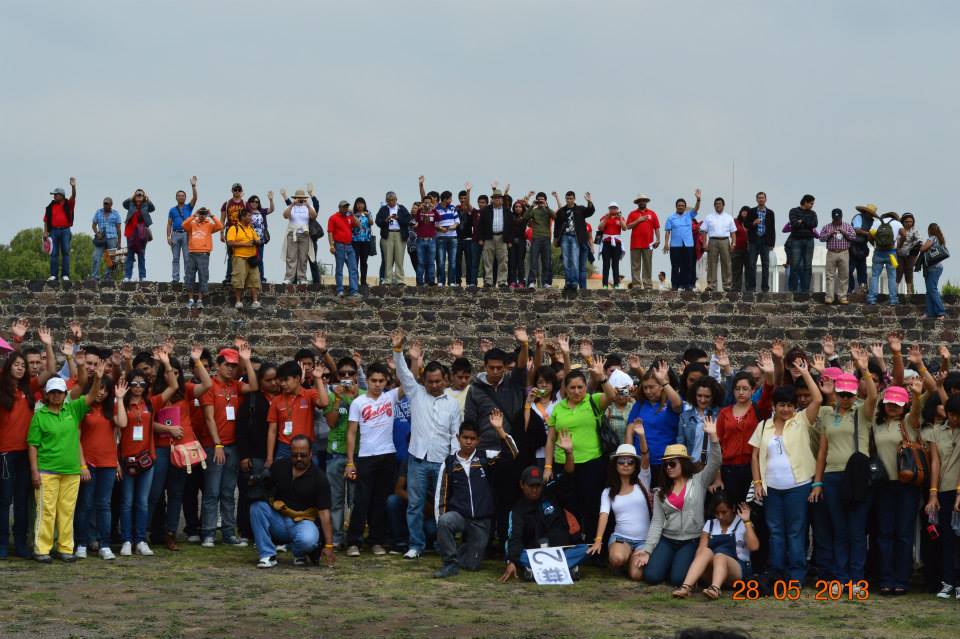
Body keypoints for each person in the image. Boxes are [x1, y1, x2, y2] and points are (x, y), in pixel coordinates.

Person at [749, 359, 822, 582]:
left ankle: (796, 576)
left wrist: (805, 373)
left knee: (796, 532)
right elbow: (754, 455)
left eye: (790, 405)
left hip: (797, 487)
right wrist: (758, 483)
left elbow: (817, 398)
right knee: (776, 532)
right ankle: (776, 575)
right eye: (782, 405)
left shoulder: (801, 420)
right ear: (774, 406)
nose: (786, 409)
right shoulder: (764, 425)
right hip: (772, 489)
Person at [390, 330, 461, 559]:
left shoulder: (452, 405)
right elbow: (402, 373)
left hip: (442, 462)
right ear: (424, 381)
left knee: (442, 508)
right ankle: (416, 545)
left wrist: (454, 459)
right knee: (414, 506)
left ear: (446, 380)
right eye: (429, 381)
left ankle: (444, 546)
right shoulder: (416, 393)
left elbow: (455, 435)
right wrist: (399, 351)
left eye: (438, 381)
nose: (433, 385)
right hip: (418, 459)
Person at [27, 362, 105, 563]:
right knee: (46, 511)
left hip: (70, 470)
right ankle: (42, 549)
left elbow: (91, 395)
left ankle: (65, 547)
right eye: (52, 392)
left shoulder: (73, 409)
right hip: (47, 470)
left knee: (66, 511)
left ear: (64, 394)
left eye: (59, 392)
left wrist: (97, 378)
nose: (56, 396)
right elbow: (33, 445)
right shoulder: (40, 416)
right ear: (47, 394)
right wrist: (34, 471)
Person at [634, 414, 721, 586]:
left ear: (683, 463)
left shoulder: (699, 480)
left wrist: (713, 437)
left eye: (672, 464)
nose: (668, 468)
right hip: (668, 538)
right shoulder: (661, 491)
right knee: (652, 577)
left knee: (677, 580)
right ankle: (668, 563)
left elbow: (716, 461)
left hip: (691, 539)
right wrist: (647, 550)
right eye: (666, 464)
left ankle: (679, 567)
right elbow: (657, 522)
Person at [434, 414, 518, 578]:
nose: (468, 441)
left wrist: (500, 429)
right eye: (465, 437)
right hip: (459, 515)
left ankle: (463, 550)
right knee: (445, 521)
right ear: (458, 438)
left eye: (472, 438)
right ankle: (450, 563)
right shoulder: (450, 462)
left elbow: (513, 453)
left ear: (478, 440)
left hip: (481, 520)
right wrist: (441, 525)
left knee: (472, 566)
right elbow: (441, 492)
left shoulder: (485, 457)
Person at [544, 363, 617, 545]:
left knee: (592, 505)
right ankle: (572, 542)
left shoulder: (593, 401)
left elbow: (612, 396)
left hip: (592, 463)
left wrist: (602, 378)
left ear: (585, 387)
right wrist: (548, 465)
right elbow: (551, 440)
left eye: (580, 387)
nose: (576, 391)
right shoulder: (558, 408)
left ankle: (595, 546)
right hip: (564, 463)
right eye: (572, 388)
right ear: (565, 389)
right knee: (569, 505)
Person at [500, 448, 588, 583]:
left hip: (560, 550)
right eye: (531, 486)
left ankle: (534, 569)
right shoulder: (517, 510)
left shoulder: (552, 493)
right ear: (522, 485)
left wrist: (569, 454)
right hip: (535, 553)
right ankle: (566, 567)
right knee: (509, 548)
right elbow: (515, 537)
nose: (535, 489)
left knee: (586, 549)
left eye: (538, 485)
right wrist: (511, 562)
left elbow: (568, 476)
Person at [199, 345, 257, 548]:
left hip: (233, 446)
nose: (231, 369)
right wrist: (217, 444)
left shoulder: (235, 386)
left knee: (228, 492)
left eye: (234, 365)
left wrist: (247, 361)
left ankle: (228, 533)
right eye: (227, 365)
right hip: (215, 446)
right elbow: (209, 418)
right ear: (218, 365)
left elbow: (254, 387)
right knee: (212, 491)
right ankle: (207, 533)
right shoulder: (210, 386)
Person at [249, 434, 335, 568]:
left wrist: (329, 545)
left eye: (303, 455)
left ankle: (299, 552)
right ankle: (267, 555)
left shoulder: (319, 478)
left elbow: (324, 513)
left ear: (311, 454)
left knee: (308, 540)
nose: (299, 458)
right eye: (295, 455)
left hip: (303, 522)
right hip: (279, 519)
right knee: (257, 507)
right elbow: (266, 487)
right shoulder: (280, 466)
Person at [873, 378, 925, 595]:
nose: (891, 406)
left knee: (903, 534)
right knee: (884, 533)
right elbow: (872, 401)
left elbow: (916, 410)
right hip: (884, 485)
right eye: (888, 402)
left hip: (907, 485)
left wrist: (917, 395)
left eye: (896, 403)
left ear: (904, 405)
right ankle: (885, 579)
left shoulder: (908, 423)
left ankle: (902, 580)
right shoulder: (876, 424)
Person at [344, 362, 399, 556]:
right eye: (373, 380)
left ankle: (376, 541)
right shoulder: (358, 402)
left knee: (381, 501)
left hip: (388, 455)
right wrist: (350, 461)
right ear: (366, 380)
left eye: (381, 381)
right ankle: (353, 542)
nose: (377, 384)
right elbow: (351, 433)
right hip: (366, 456)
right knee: (361, 500)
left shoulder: (391, 397)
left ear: (386, 381)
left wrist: (399, 360)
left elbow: (411, 382)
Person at [74, 374, 124, 560]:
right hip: (89, 463)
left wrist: (119, 399)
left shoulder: (111, 408)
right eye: (98, 388)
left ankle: (104, 544)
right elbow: (76, 438)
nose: (101, 392)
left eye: (105, 389)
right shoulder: (83, 407)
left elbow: (123, 424)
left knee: (104, 505)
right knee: (85, 505)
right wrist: (82, 464)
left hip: (108, 463)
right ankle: (81, 543)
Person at [673, 494, 759, 600]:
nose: (720, 516)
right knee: (705, 551)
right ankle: (686, 587)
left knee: (720, 556)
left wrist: (747, 521)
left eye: (724, 512)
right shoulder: (710, 524)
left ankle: (715, 589)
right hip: (713, 571)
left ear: (732, 508)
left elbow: (754, 547)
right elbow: (701, 550)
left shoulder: (742, 523)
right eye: (717, 513)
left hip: (736, 570)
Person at [587, 440, 652, 580]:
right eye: (621, 461)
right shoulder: (608, 491)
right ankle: (624, 559)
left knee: (636, 576)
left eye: (630, 462)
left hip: (644, 540)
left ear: (636, 465)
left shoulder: (643, 480)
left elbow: (646, 457)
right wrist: (598, 540)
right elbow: (603, 515)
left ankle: (631, 561)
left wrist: (641, 435)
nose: (626, 465)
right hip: (621, 538)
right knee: (617, 559)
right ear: (615, 465)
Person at [236, 362, 278, 541]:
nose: (274, 383)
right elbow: (242, 429)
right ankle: (246, 531)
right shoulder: (253, 400)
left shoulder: (283, 398)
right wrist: (244, 455)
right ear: (260, 382)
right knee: (251, 492)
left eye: (276, 379)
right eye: (269, 380)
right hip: (255, 453)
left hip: (278, 452)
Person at [0, 352, 37, 559]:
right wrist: (16, 342)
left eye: (23, 365)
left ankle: (21, 543)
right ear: (8, 367)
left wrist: (48, 346)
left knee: (22, 500)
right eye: (16, 364)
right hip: (5, 452)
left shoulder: (28, 388)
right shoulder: (2, 389)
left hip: (26, 453)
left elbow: (48, 371)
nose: (21, 368)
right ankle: (3, 543)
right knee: (4, 500)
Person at [923, 394, 960, 599]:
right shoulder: (937, 432)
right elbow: (935, 463)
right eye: (951, 414)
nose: (954, 419)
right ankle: (947, 582)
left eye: (957, 415)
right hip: (944, 490)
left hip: (958, 490)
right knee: (946, 538)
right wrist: (933, 493)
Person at [265, 360, 330, 466]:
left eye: (286, 380)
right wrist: (269, 458)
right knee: (282, 479)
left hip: (307, 447)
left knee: (308, 480)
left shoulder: (309, 394)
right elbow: (272, 431)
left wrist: (318, 378)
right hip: (285, 446)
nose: (283, 384)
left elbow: (324, 403)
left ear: (298, 378)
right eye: (281, 381)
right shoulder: (277, 400)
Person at [626, 362, 682, 482]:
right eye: (645, 387)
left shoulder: (670, 403)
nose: (647, 391)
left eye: (651, 387)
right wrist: (628, 455)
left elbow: (678, 404)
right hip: (642, 461)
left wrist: (664, 382)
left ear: (661, 386)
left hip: (666, 461)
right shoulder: (640, 404)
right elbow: (630, 430)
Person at [181, 207, 223, 310]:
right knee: (189, 276)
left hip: (204, 254)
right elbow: (183, 225)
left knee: (203, 277)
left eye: (204, 213)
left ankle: (200, 300)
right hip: (192, 253)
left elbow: (220, 226)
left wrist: (211, 215)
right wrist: (194, 215)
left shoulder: (209, 225)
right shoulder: (192, 224)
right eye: (201, 213)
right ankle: (191, 300)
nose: (202, 215)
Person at [552, 191, 595, 291]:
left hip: (576, 237)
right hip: (564, 237)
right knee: (566, 261)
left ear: (574, 199)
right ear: (565, 199)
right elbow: (556, 225)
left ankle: (574, 282)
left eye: (571, 198)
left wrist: (589, 202)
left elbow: (590, 211)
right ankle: (568, 282)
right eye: (567, 198)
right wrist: (555, 238)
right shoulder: (561, 211)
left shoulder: (580, 209)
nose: (569, 200)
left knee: (575, 260)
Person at [662, 190, 702, 290]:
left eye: (682, 205)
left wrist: (698, 199)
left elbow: (696, 209)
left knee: (687, 266)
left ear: (685, 207)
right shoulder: (671, 218)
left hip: (688, 245)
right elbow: (667, 231)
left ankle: (686, 284)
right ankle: (675, 285)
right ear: (676, 206)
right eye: (679, 205)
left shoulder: (689, 215)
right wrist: (666, 244)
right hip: (675, 245)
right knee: (675, 266)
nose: (680, 207)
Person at [818, 208, 856, 304]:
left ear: (841, 217)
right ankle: (829, 297)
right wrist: (830, 233)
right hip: (831, 252)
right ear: (832, 217)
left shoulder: (847, 226)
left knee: (844, 275)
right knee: (829, 275)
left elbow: (854, 237)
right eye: (835, 218)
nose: (837, 220)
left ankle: (842, 296)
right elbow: (821, 238)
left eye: (838, 218)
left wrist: (844, 232)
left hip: (844, 252)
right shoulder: (827, 227)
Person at [226, 208, 262, 309]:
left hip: (252, 258)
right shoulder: (234, 228)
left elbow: (257, 240)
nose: (251, 218)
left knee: (255, 279)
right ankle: (238, 301)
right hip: (239, 257)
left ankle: (255, 301)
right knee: (239, 279)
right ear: (242, 217)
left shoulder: (251, 228)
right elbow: (230, 242)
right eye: (249, 216)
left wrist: (257, 242)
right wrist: (245, 244)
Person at [280, 189, 317, 285]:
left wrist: (307, 205)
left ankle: (302, 278)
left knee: (303, 257)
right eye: (298, 198)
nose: (300, 199)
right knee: (291, 257)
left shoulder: (308, 207)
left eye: (302, 198)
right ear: (295, 198)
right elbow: (285, 215)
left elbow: (314, 216)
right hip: (292, 233)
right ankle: (289, 278)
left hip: (304, 234)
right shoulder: (291, 207)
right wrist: (292, 204)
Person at [700, 197, 737, 292]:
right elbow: (703, 231)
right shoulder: (709, 217)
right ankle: (711, 285)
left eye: (720, 204)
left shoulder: (729, 217)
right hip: (712, 241)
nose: (718, 205)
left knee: (726, 263)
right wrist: (704, 243)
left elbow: (733, 232)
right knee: (712, 263)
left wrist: (733, 243)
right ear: (714, 206)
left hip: (725, 240)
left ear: (723, 205)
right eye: (716, 204)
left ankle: (727, 285)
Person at [44, 178, 77, 282]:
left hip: (65, 231)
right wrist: (45, 231)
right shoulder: (50, 206)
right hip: (53, 231)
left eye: (56, 194)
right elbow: (45, 220)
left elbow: (73, 196)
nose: (54, 196)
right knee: (54, 253)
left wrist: (73, 187)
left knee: (65, 252)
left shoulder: (68, 204)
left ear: (61, 196)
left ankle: (65, 275)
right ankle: (53, 275)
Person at [375, 191, 412, 285]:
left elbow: (408, 220)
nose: (391, 202)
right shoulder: (383, 209)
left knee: (399, 258)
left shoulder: (401, 208)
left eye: (393, 200)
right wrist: (386, 220)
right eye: (389, 200)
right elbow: (378, 222)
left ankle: (400, 279)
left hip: (399, 234)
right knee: (388, 259)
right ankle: (388, 279)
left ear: (396, 199)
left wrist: (398, 218)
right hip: (388, 235)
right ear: (386, 201)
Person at [166, 177, 198, 283]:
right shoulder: (172, 210)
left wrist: (193, 186)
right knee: (175, 258)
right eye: (179, 196)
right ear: (176, 198)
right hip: (175, 234)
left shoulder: (189, 207)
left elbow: (195, 198)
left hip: (186, 234)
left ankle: (187, 278)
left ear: (185, 197)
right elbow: (169, 224)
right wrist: (168, 236)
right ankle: (175, 278)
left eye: (183, 196)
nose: (181, 197)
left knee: (187, 258)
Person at [327, 200, 360, 298]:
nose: (346, 208)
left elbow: (358, 225)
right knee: (339, 269)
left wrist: (353, 215)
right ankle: (340, 290)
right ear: (339, 207)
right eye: (344, 207)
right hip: (339, 245)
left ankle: (354, 290)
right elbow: (330, 232)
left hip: (349, 246)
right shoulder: (333, 218)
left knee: (353, 268)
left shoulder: (349, 217)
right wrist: (331, 245)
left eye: (347, 207)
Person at [867, 212, 901, 306]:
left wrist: (874, 244)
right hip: (892, 253)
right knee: (892, 276)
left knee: (875, 276)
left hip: (878, 252)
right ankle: (893, 299)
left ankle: (872, 299)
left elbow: (869, 236)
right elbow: (905, 235)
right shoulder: (897, 223)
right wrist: (898, 245)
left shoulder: (877, 222)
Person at [478, 189, 511, 288]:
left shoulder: (507, 211)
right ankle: (488, 281)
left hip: (502, 238)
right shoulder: (485, 210)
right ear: (492, 199)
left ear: (502, 199)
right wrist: (481, 238)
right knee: (488, 260)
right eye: (495, 198)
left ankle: (502, 281)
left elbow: (510, 226)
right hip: (489, 237)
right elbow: (480, 225)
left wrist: (509, 240)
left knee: (503, 260)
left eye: (499, 198)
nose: (497, 200)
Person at [626, 194, 660, 289]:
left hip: (649, 243)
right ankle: (636, 284)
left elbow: (656, 227)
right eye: (640, 200)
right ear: (637, 203)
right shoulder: (632, 214)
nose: (642, 202)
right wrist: (638, 220)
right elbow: (627, 226)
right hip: (635, 243)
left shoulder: (652, 213)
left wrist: (658, 239)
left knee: (647, 264)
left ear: (646, 202)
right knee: (635, 265)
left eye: (644, 200)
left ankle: (647, 284)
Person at [745, 192, 776, 293]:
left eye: (763, 198)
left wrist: (772, 243)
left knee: (765, 265)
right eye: (759, 198)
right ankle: (752, 287)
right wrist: (753, 223)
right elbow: (746, 224)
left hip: (765, 241)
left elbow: (772, 229)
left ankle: (765, 287)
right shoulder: (751, 211)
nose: (761, 199)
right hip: (754, 240)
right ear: (756, 199)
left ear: (766, 199)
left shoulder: (770, 213)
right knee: (751, 264)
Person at [122, 189, 155, 282]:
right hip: (131, 232)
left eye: (141, 195)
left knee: (141, 254)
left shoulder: (146, 204)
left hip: (141, 232)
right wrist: (132, 196)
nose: (139, 196)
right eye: (137, 195)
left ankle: (142, 276)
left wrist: (147, 199)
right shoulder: (131, 204)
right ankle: (127, 276)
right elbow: (124, 204)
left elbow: (153, 208)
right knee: (130, 255)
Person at [786, 195, 818, 293]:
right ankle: (793, 289)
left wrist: (802, 221)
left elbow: (814, 224)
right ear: (805, 202)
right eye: (811, 203)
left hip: (809, 241)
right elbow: (794, 224)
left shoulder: (813, 213)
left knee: (807, 266)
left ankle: (805, 289)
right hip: (796, 241)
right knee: (794, 265)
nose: (812, 205)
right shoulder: (793, 211)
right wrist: (805, 223)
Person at [523, 192, 555, 288]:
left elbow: (555, 216)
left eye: (542, 199)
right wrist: (532, 206)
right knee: (534, 261)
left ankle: (546, 282)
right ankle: (531, 282)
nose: (540, 201)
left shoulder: (547, 210)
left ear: (545, 200)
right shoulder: (534, 210)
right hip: (536, 238)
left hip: (546, 238)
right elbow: (525, 217)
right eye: (539, 200)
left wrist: (547, 206)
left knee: (546, 261)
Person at [220, 183, 247, 285]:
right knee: (231, 254)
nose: (237, 191)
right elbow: (222, 219)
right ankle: (229, 276)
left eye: (239, 190)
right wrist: (221, 233)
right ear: (232, 191)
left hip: (242, 230)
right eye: (235, 190)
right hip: (230, 230)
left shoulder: (245, 203)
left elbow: (249, 217)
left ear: (241, 191)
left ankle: (242, 276)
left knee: (242, 254)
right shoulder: (227, 204)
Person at [919, 223, 947, 319]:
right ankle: (929, 312)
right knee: (929, 290)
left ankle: (941, 312)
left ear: (930, 230)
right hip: (936, 267)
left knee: (932, 289)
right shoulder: (940, 239)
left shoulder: (932, 238)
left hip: (933, 268)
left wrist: (921, 245)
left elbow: (923, 248)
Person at [91, 197, 122, 282]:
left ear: (111, 205)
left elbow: (119, 229)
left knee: (110, 258)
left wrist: (119, 242)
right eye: (104, 203)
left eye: (107, 204)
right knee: (96, 256)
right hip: (101, 238)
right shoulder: (98, 212)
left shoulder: (116, 214)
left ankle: (107, 276)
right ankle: (94, 276)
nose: (106, 205)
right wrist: (97, 233)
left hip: (112, 238)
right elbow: (93, 225)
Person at [848, 203, 876, 295]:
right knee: (849, 269)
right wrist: (868, 234)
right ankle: (850, 289)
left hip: (863, 246)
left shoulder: (872, 222)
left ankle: (862, 288)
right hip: (853, 245)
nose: (871, 215)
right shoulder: (858, 217)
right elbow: (856, 230)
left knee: (862, 269)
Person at [247, 193, 275, 283]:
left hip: (260, 239)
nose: (254, 203)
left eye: (256, 202)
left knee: (259, 259)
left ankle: (261, 277)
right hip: (250, 239)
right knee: (249, 258)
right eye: (252, 201)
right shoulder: (247, 212)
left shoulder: (262, 211)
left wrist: (271, 200)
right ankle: (249, 278)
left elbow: (271, 210)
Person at [598, 203, 626, 289]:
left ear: (617, 209)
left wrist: (620, 218)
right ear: (609, 209)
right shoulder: (604, 217)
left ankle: (616, 284)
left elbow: (624, 228)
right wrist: (607, 217)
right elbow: (600, 228)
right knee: (606, 264)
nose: (613, 210)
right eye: (611, 208)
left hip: (616, 243)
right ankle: (605, 284)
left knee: (615, 264)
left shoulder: (620, 218)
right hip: (606, 243)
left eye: (615, 208)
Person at [412, 196, 437, 286]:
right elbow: (417, 218)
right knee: (421, 262)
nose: (427, 204)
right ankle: (419, 282)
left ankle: (431, 281)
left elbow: (438, 218)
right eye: (425, 202)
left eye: (428, 202)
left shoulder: (433, 212)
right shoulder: (420, 212)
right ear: (422, 203)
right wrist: (420, 209)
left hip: (431, 240)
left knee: (431, 262)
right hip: (420, 240)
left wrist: (433, 208)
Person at [896, 212, 922, 295]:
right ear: (903, 222)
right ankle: (895, 289)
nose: (909, 223)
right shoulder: (898, 229)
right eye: (906, 222)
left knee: (909, 271)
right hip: (899, 254)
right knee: (899, 271)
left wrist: (919, 246)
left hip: (910, 255)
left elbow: (919, 240)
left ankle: (909, 290)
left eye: (910, 221)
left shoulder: (914, 230)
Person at [351, 197, 374, 290]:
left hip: (366, 241)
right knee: (354, 262)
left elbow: (371, 223)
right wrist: (354, 215)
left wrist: (367, 215)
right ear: (356, 205)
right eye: (358, 204)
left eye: (361, 203)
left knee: (364, 262)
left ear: (364, 205)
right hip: (355, 241)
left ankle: (363, 281)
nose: (360, 205)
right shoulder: (352, 214)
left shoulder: (368, 213)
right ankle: (354, 281)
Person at [507, 199, 529, 288]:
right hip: (512, 242)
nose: (518, 208)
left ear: (522, 208)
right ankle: (512, 281)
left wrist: (527, 201)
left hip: (521, 242)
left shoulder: (525, 217)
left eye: (520, 207)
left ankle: (521, 282)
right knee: (512, 262)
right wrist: (509, 241)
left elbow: (530, 211)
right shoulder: (510, 216)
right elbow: (508, 230)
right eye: (516, 207)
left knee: (520, 262)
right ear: (514, 208)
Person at [730, 207, 750, 292]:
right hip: (737, 248)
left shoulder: (751, 223)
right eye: (743, 211)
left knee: (749, 269)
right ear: (740, 212)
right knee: (736, 270)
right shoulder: (735, 221)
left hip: (748, 249)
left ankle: (749, 288)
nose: (745, 213)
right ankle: (736, 288)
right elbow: (731, 232)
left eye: (747, 212)